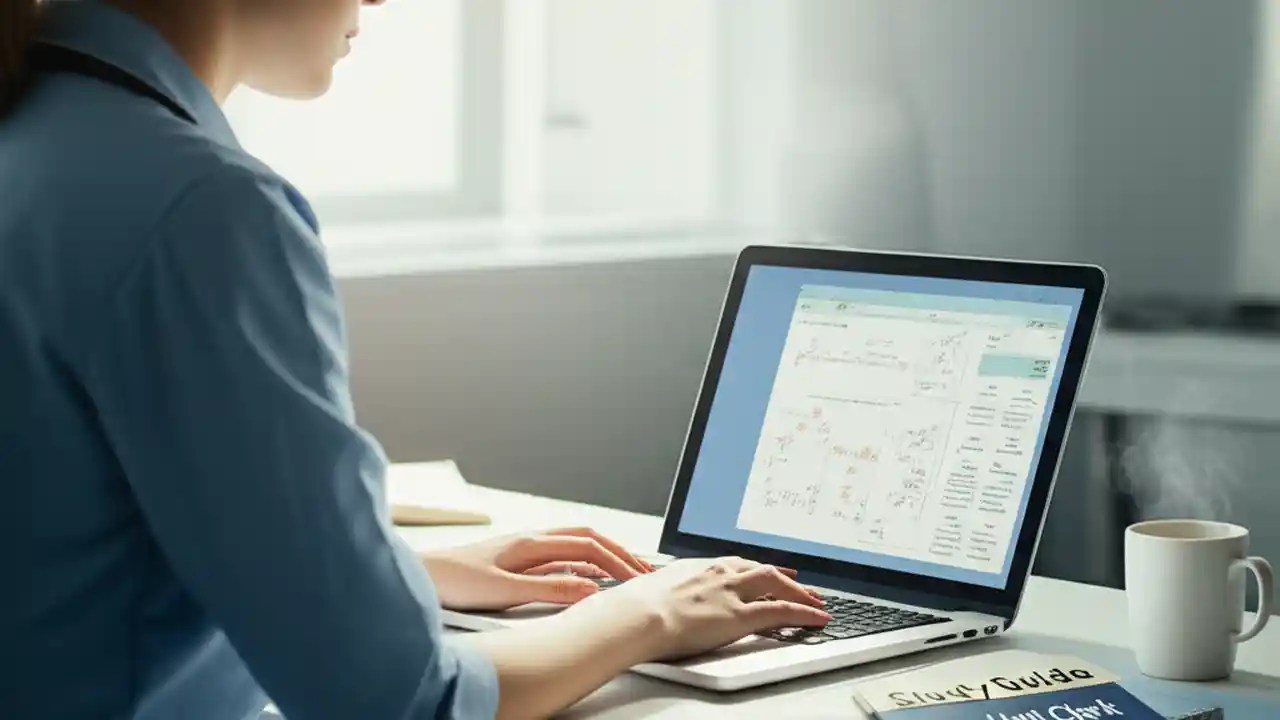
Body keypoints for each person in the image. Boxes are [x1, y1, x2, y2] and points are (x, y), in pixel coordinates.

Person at [0, 1, 831, 718]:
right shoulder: (199, 211)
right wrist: (651, 609)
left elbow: (69, 543)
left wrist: (394, 573)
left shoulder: (37, 141)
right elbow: (399, 704)